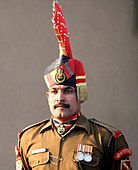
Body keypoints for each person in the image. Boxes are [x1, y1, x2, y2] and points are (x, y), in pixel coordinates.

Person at [15, 1, 132, 170]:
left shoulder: (107, 139)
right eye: (54, 91)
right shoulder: (28, 138)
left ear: (80, 94)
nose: (60, 98)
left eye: (68, 91)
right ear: (48, 97)